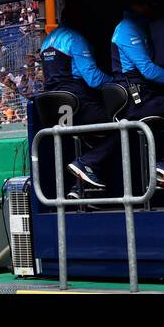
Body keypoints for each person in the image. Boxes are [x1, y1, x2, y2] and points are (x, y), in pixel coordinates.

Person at [110, 2, 164, 192]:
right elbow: (148, 70)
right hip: (136, 99)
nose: (154, 8)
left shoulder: (139, 25)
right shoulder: (127, 28)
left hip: (142, 94)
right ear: (138, 5)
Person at [37, 13, 118, 194]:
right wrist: (116, 81)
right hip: (76, 102)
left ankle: (79, 187)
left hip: (54, 108)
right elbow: (93, 79)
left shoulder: (46, 42)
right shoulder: (75, 38)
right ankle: (85, 163)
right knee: (119, 125)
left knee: (92, 137)